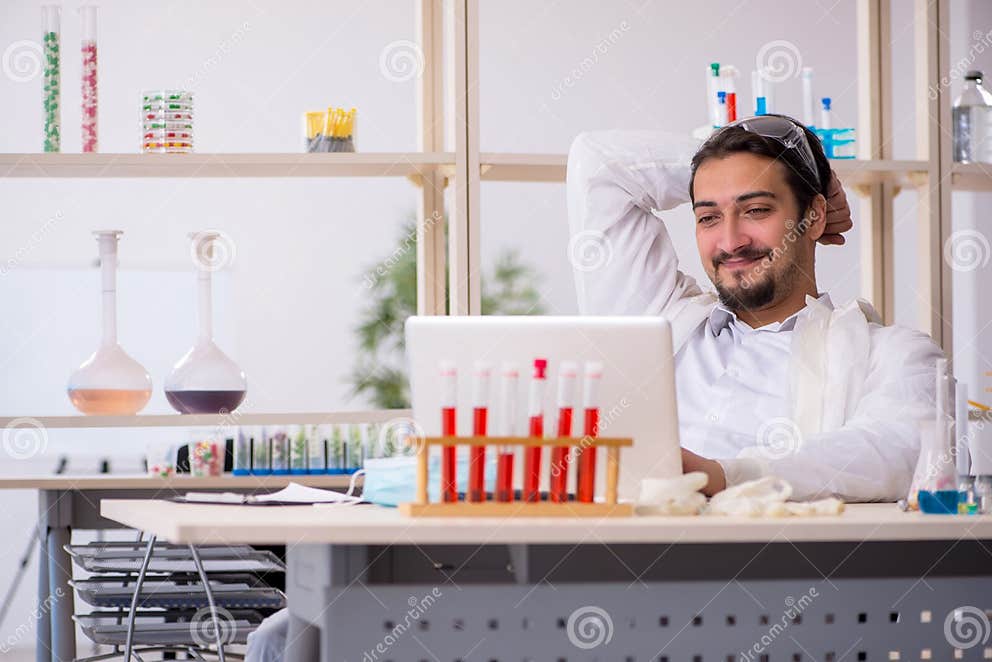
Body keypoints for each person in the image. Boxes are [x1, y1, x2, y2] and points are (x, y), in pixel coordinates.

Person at [566, 115, 943, 501]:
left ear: (812, 216)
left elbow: (899, 453)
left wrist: (725, 475)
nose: (730, 241)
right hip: (619, 552)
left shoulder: (893, 353)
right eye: (709, 217)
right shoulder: (655, 319)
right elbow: (598, 161)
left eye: (757, 210)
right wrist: (807, 170)